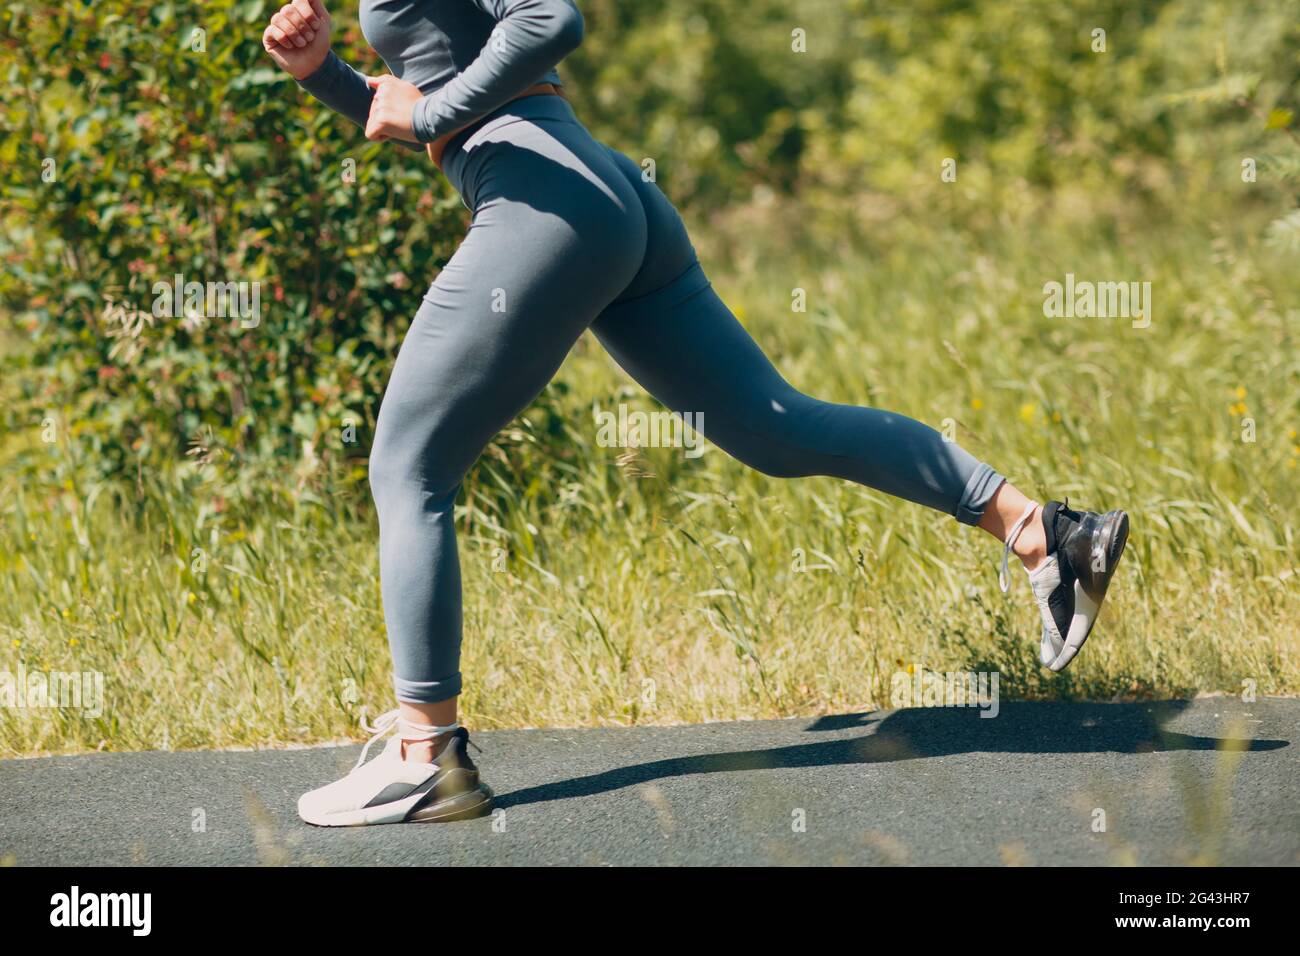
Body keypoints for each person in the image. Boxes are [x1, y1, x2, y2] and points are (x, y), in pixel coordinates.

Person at [263, 0, 1130, 827]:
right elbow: (423, 94)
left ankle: (426, 759)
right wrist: (323, 73)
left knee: (408, 467)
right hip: (597, 192)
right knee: (774, 425)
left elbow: (546, 21)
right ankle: (1046, 535)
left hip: (541, 196)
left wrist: (427, 117)